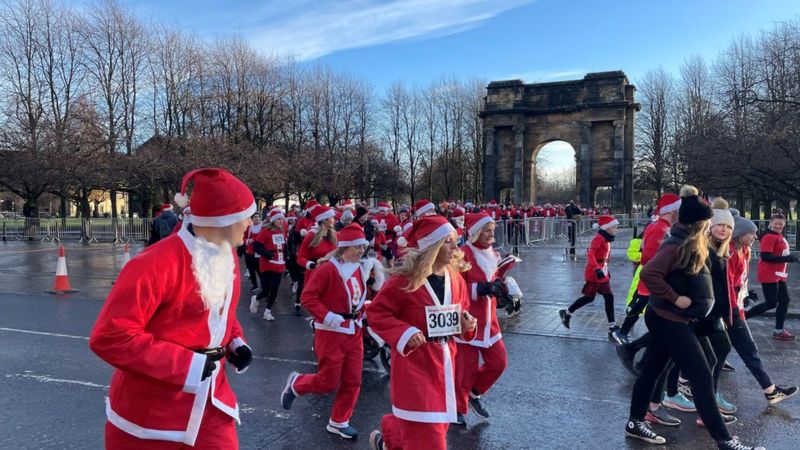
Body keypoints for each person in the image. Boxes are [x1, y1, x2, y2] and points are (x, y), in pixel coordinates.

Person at [89, 168, 255, 449]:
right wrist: (187, 365)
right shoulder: (153, 264)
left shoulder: (227, 256)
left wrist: (234, 341)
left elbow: (219, 314)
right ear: (219, 220)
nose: (250, 223)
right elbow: (111, 337)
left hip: (212, 404)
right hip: (149, 416)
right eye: (244, 216)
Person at [625, 185, 765, 450]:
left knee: (652, 370)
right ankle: (725, 440)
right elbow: (649, 274)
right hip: (669, 318)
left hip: (674, 317)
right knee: (701, 375)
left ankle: (634, 421)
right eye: (707, 222)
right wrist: (676, 298)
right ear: (698, 224)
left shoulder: (691, 243)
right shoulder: (676, 244)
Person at [366, 215, 478, 450]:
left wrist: (467, 326)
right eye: (448, 241)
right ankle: (394, 434)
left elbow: (461, 316)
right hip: (415, 369)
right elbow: (376, 313)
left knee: (429, 428)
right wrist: (404, 333)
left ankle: (391, 438)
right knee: (430, 438)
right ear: (431, 246)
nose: (456, 247)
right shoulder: (404, 282)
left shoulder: (455, 279)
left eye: (455, 240)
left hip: (445, 367)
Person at [280, 224, 371, 440]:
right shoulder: (328, 269)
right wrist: (328, 316)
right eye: (357, 247)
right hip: (330, 334)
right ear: (345, 247)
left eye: (362, 247)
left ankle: (339, 421)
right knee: (328, 381)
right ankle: (297, 383)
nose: (361, 251)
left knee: (353, 380)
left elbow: (355, 299)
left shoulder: (358, 268)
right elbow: (308, 297)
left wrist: (365, 310)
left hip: (354, 332)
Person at [727, 213, 799, 405]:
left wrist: (745, 293)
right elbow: (725, 282)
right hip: (730, 310)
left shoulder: (744, 251)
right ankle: (694, 389)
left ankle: (770, 391)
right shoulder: (732, 252)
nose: (755, 238)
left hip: (736, 309)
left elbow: (736, 280)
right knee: (716, 353)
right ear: (740, 234)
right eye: (751, 234)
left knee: (741, 350)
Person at [453, 212, 509, 427]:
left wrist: (501, 290)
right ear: (475, 232)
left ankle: (474, 393)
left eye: (492, 231)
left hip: (489, 320)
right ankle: (457, 408)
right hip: (468, 320)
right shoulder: (462, 254)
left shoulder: (492, 253)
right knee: (464, 370)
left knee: (499, 362)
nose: (490, 234)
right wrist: (481, 288)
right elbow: (456, 288)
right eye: (486, 230)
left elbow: (493, 279)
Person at [559, 215, 621, 341]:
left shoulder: (607, 238)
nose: (616, 229)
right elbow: (591, 253)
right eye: (614, 227)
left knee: (609, 297)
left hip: (602, 273)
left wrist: (604, 269)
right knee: (589, 298)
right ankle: (567, 312)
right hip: (594, 273)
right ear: (607, 228)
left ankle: (612, 326)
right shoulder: (599, 238)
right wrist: (597, 268)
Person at [746, 211, 798, 340]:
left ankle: (779, 330)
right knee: (771, 303)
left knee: (784, 301)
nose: (778, 226)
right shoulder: (770, 236)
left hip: (778, 274)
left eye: (781, 224)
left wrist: (788, 258)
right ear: (770, 223)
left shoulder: (778, 235)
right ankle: (743, 317)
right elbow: (766, 256)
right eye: (776, 224)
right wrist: (786, 258)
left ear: (784, 225)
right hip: (769, 273)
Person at [295, 204, 337, 314]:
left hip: (331, 275)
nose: (334, 219)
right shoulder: (311, 235)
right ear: (324, 220)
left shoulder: (333, 235)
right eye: (332, 217)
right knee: (317, 310)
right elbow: (300, 258)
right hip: (315, 274)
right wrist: (311, 264)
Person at [250, 209, 287, 321]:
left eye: (282, 219)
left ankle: (267, 312)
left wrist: (287, 256)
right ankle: (256, 298)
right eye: (278, 219)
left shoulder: (282, 232)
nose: (281, 221)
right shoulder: (265, 232)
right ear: (273, 221)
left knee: (274, 290)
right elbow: (256, 247)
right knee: (266, 291)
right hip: (267, 265)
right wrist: (269, 255)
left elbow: (284, 247)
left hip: (280, 265)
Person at [242, 212, 262, 293]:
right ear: (252, 219)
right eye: (255, 217)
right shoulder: (249, 228)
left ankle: (264, 286)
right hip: (249, 252)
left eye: (258, 217)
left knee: (260, 271)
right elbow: (243, 237)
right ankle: (255, 285)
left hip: (259, 253)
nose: (257, 219)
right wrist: (247, 240)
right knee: (251, 270)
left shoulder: (263, 228)